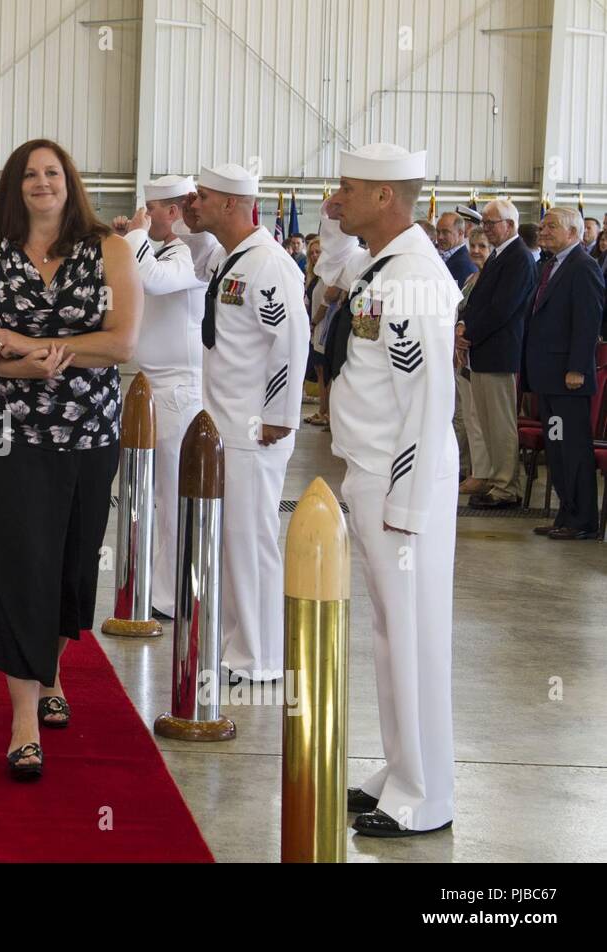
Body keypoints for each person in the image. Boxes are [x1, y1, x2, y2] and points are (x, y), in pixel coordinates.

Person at [0, 138, 140, 779]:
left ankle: (50, 666)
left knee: (73, 575)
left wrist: (23, 344)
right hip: (10, 437)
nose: (42, 182)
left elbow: (121, 344)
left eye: (52, 172)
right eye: (29, 174)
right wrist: (21, 365)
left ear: (70, 181)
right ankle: (24, 718)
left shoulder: (108, 249)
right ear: (14, 185)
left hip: (89, 438)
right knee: (24, 570)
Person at [317, 143, 462, 837]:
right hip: (371, 472)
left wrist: (407, 504)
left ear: (385, 197)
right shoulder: (384, 264)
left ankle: (423, 795)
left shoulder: (415, 278)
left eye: (348, 187)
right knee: (389, 631)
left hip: (401, 483)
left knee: (414, 633)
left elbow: (429, 398)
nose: (336, 197)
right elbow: (332, 269)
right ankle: (401, 768)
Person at [184, 163, 308, 682]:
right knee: (231, 541)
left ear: (232, 203)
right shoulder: (229, 258)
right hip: (227, 422)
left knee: (251, 541)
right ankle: (238, 645)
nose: (195, 204)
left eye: (204, 197)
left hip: (256, 428)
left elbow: (290, 341)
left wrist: (280, 416)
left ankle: (259, 657)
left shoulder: (267, 264)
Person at [112, 174, 218, 619]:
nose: (144, 214)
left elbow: (152, 281)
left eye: (151, 208)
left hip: (179, 390)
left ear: (172, 212)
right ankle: (159, 590)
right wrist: (130, 239)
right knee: (156, 497)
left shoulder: (194, 252)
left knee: (175, 500)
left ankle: (176, 598)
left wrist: (134, 235)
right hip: (154, 386)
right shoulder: (163, 249)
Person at [524, 207, 606, 539]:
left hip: (567, 380)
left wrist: (576, 368)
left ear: (572, 233)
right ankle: (565, 515)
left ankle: (582, 520)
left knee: (572, 449)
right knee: (556, 448)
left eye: (551, 226)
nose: (543, 231)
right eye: (542, 226)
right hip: (548, 377)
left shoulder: (582, 267)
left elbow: (587, 322)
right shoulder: (550, 265)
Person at [456, 199, 537, 509]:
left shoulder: (518, 257)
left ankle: (506, 487)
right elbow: (478, 302)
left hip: (500, 351)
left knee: (501, 424)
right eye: (484, 223)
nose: (485, 228)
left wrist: (469, 333)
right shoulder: (499, 255)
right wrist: (463, 327)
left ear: (511, 225)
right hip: (483, 350)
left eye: (491, 223)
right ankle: (493, 479)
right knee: (486, 422)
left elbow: (503, 308)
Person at [455, 226, 492, 493]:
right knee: (466, 416)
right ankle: (469, 467)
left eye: (483, 246)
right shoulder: (471, 278)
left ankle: (482, 473)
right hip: (462, 355)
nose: (476, 251)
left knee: (477, 418)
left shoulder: (489, 279)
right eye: (474, 245)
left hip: (478, 354)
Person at [304, 236, 332, 428]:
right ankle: (323, 410)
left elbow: (327, 301)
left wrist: (314, 323)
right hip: (314, 327)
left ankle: (327, 412)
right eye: (312, 253)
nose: (315, 256)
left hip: (323, 326)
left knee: (325, 372)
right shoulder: (314, 276)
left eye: (318, 252)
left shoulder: (329, 274)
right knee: (319, 372)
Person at [435, 210, 478, 288]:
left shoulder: (463, 264)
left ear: (460, 233)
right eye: (438, 232)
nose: (440, 237)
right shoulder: (445, 256)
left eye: (445, 232)